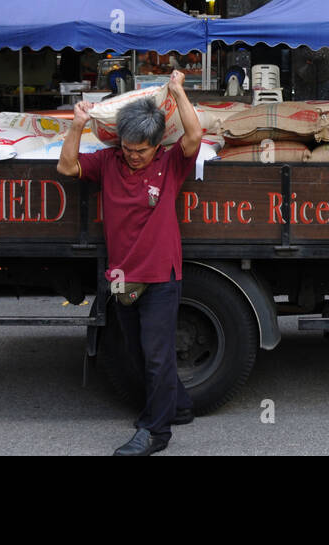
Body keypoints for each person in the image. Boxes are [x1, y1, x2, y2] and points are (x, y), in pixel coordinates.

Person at [57, 70, 202, 456]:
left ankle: (156, 432)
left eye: (141, 150)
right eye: (128, 148)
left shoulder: (171, 165)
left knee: (156, 355)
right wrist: (76, 126)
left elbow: (194, 136)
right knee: (135, 353)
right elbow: (67, 167)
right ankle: (180, 405)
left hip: (161, 275)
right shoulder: (107, 162)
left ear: (157, 146)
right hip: (121, 276)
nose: (134, 156)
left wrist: (178, 91)